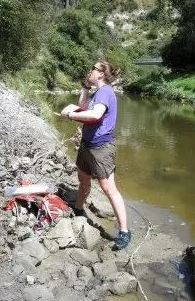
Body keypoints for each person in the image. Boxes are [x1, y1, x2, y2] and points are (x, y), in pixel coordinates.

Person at [60, 60, 131, 250]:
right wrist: (85, 87)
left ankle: (124, 231)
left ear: (101, 74)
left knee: (109, 189)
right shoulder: (97, 92)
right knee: (83, 182)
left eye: (93, 68)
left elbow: (95, 115)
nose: (89, 70)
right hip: (87, 145)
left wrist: (70, 115)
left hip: (101, 148)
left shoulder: (106, 92)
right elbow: (84, 107)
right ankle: (78, 208)